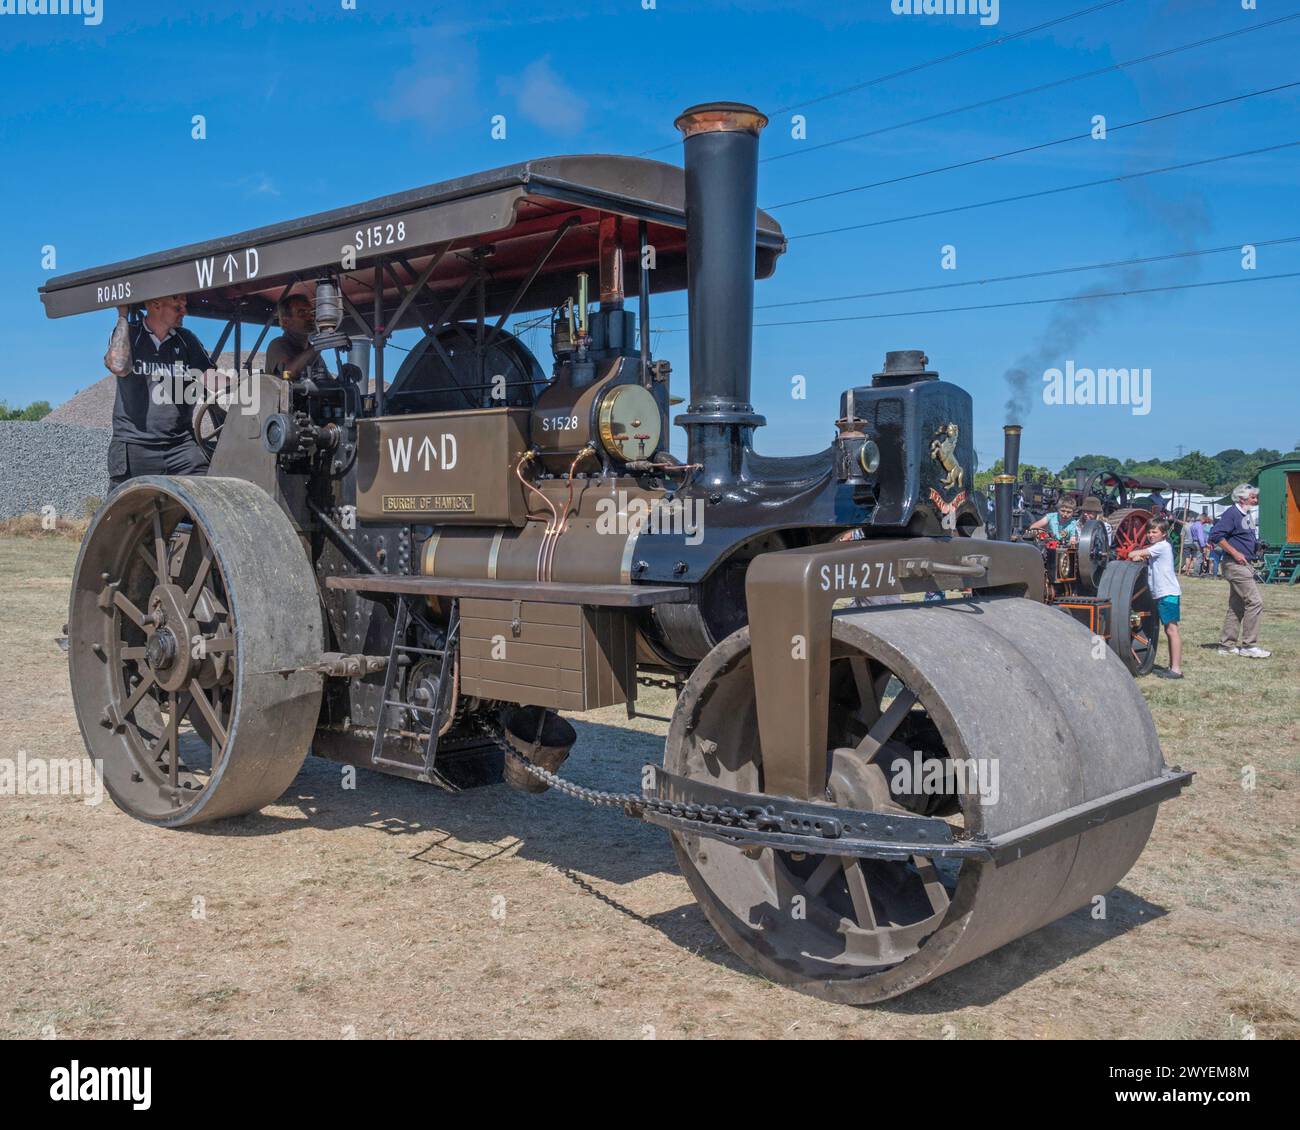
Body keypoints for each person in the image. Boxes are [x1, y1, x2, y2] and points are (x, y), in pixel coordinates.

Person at [103, 294, 215, 488]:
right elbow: (119, 366)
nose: (184, 312)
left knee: (209, 493)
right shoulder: (129, 334)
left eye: (184, 306)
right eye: (177, 307)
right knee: (130, 513)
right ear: (155, 305)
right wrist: (123, 315)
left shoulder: (186, 340)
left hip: (181, 447)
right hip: (134, 445)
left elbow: (213, 380)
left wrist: (250, 383)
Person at [1208, 485, 1269, 658]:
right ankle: (1249, 645)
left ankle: (1226, 645)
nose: (1256, 500)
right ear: (1242, 498)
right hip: (1235, 564)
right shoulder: (1231, 514)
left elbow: (1242, 537)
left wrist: (1256, 547)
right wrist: (1235, 552)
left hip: (1243, 564)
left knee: (1237, 606)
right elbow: (1215, 535)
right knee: (1255, 602)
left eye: (1256, 497)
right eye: (1252, 497)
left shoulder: (1245, 514)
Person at [1126, 518, 1183, 679]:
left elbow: (1134, 553)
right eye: (1149, 532)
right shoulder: (1157, 547)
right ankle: (1173, 667)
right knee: (1169, 629)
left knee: (1172, 630)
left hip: (1167, 593)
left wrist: (1134, 553)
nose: (1150, 535)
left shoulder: (1162, 546)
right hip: (1162, 593)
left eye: (1154, 532)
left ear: (1163, 534)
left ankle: (1176, 669)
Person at [265, 293, 330, 380]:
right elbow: (289, 373)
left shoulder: (312, 351)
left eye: (311, 312)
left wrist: (345, 373)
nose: (310, 317)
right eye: (302, 313)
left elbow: (330, 384)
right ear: (285, 321)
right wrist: (319, 345)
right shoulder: (278, 345)